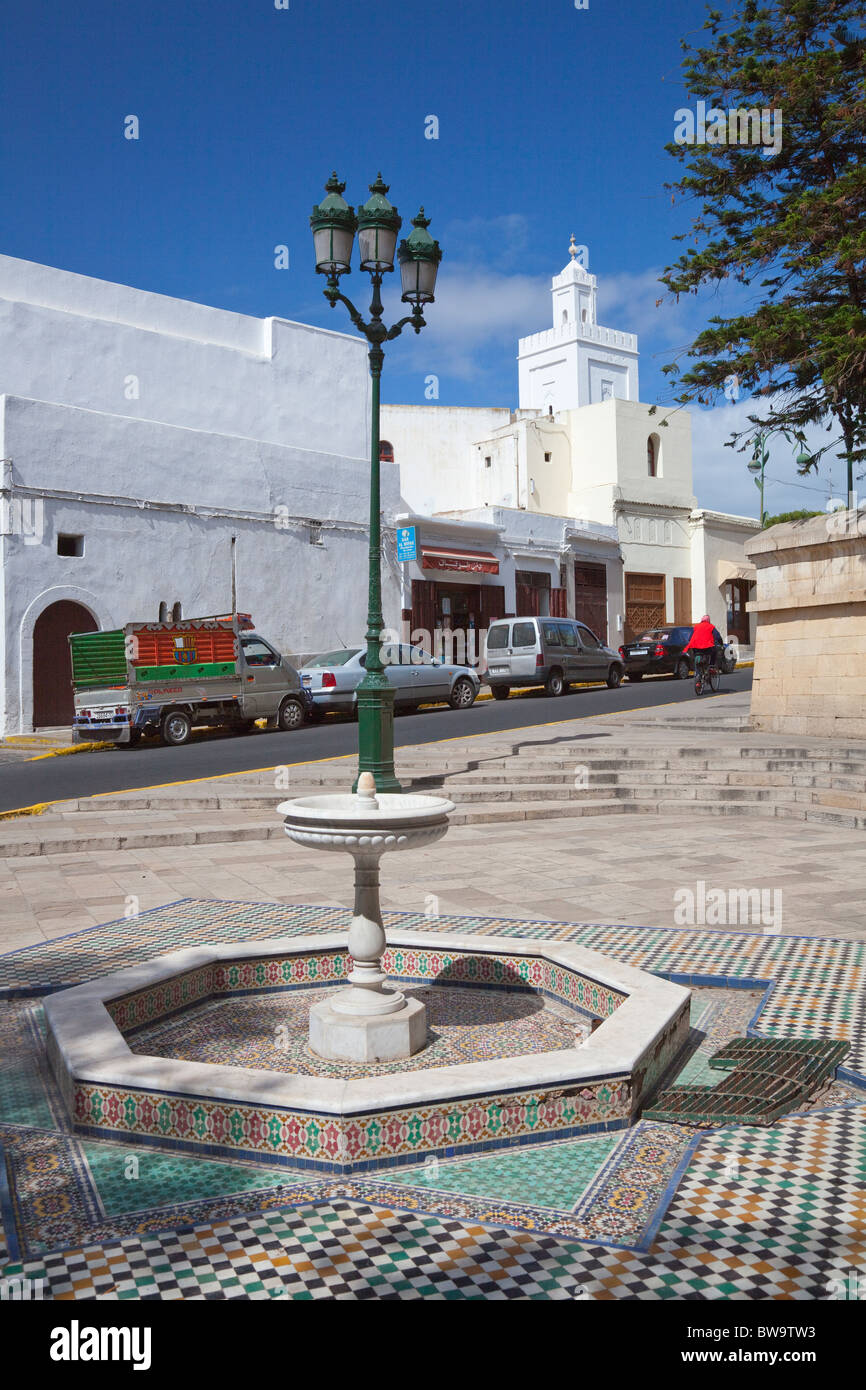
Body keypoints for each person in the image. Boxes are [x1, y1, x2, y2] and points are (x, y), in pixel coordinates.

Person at [683, 615, 723, 681]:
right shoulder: (711, 626)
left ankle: (697, 673)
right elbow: (718, 637)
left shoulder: (696, 626)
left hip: (696, 647)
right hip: (706, 647)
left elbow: (690, 638)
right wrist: (721, 644)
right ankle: (711, 667)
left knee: (696, 656)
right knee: (714, 651)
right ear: (708, 621)